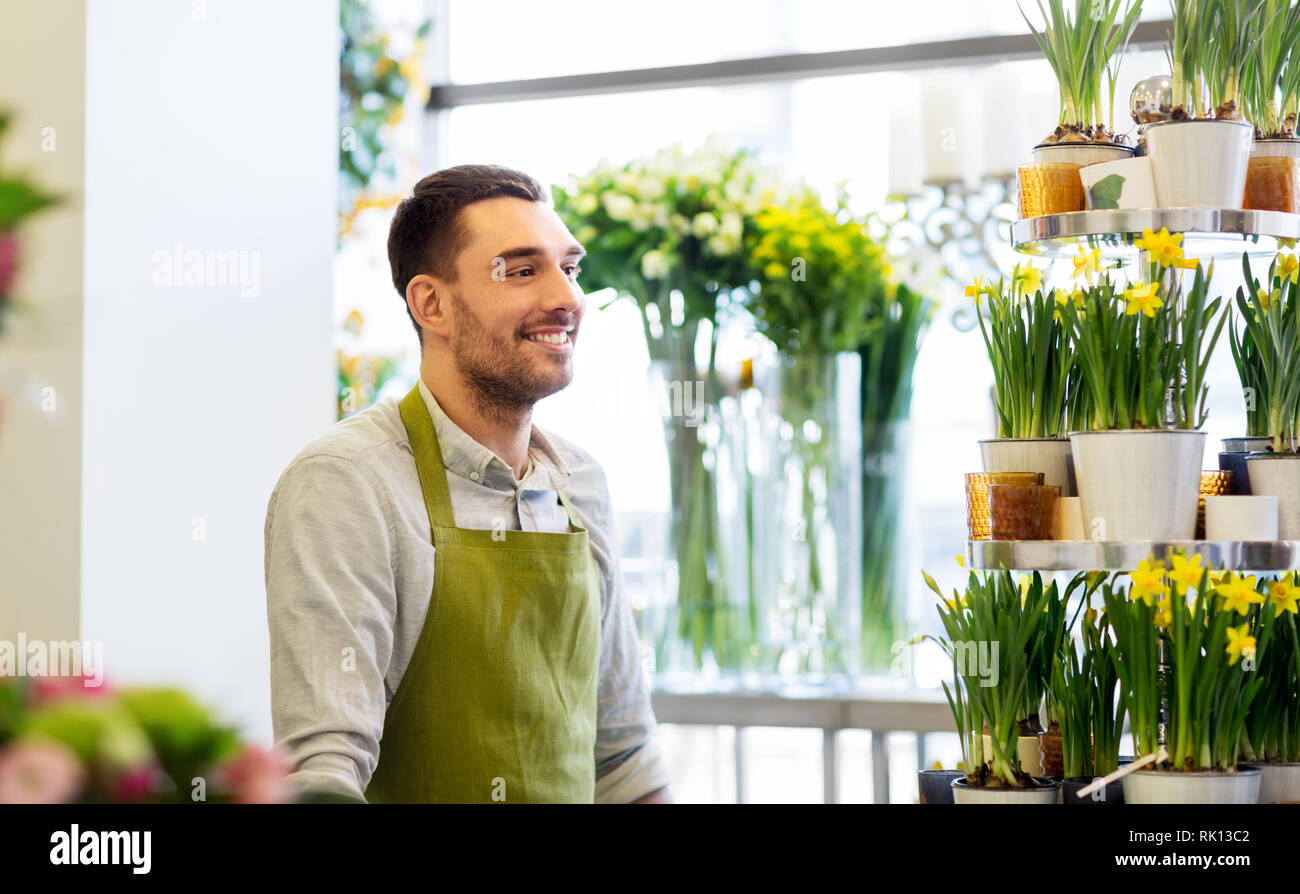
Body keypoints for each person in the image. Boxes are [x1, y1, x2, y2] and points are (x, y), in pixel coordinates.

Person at [264, 164, 672, 804]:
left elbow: (623, 759)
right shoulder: (348, 483)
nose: (567, 299)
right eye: (521, 269)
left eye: (570, 267)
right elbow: (325, 769)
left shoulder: (581, 483)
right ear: (432, 304)